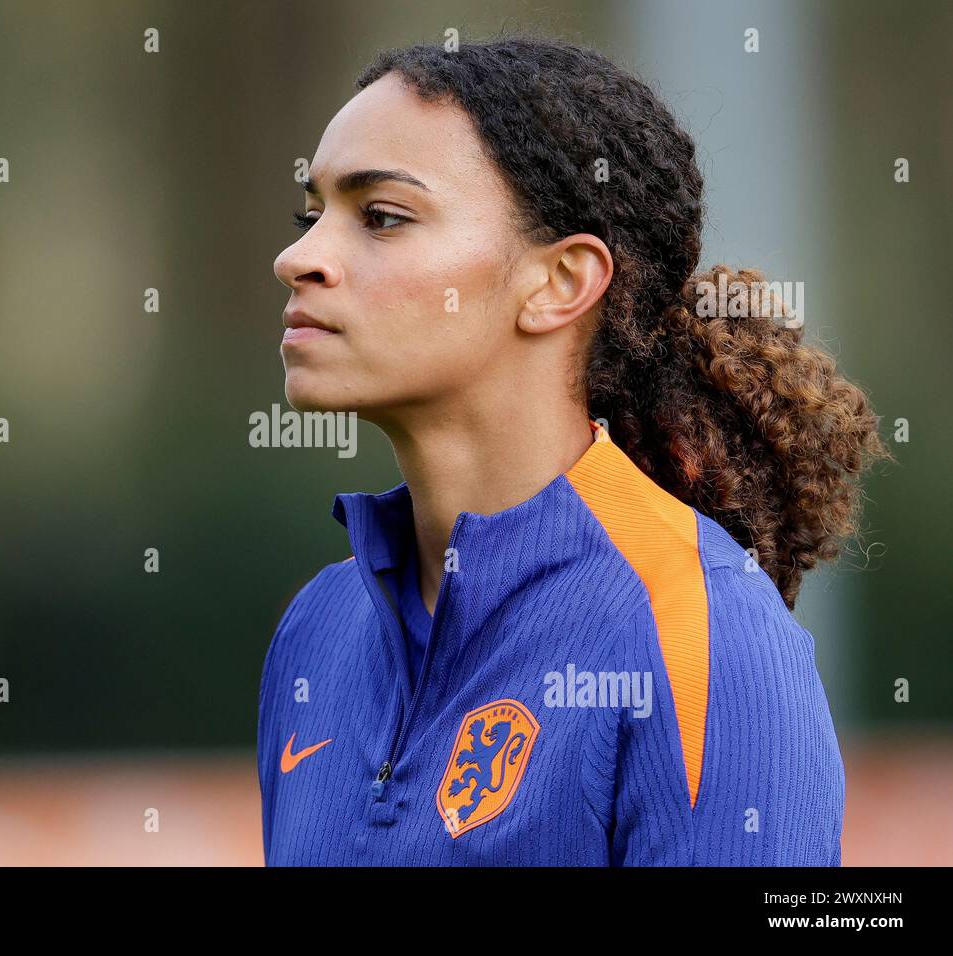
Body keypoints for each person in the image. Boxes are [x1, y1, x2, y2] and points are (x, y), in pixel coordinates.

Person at [258, 35, 891, 865]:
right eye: (313, 215)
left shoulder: (704, 631)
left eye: (381, 217)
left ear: (560, 283)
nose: (297, 258)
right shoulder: (317, 630)